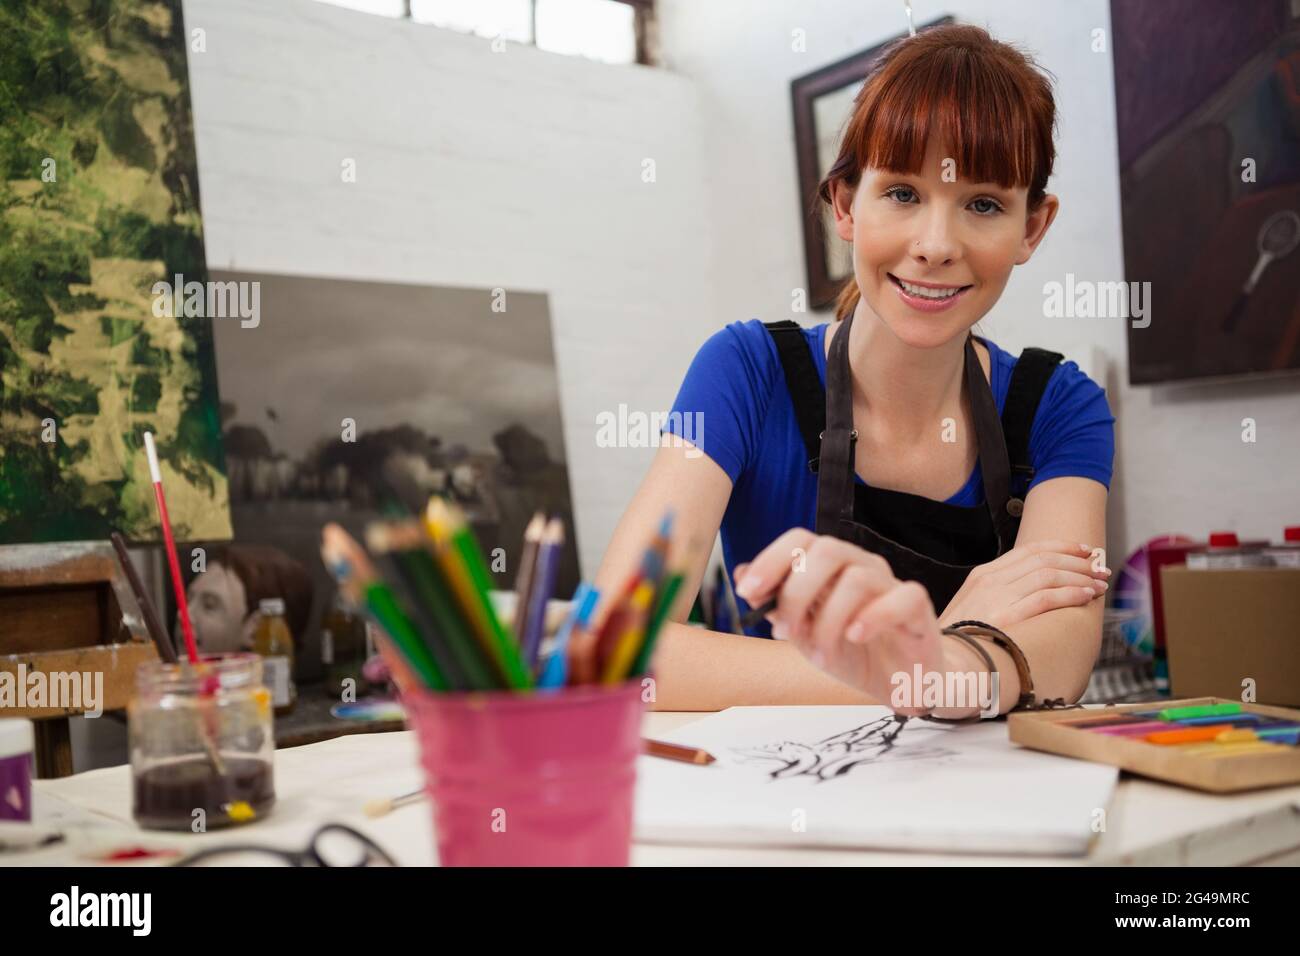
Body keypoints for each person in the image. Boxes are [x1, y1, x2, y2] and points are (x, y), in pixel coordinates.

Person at [593, 24, 1115, 718]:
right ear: (844, 204)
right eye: (902, 193)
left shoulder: (1060, 406)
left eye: (983, 205)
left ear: (1032, 228)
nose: (935, 245)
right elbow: (618, 653)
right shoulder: (746, 373)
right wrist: (938, 659)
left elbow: (1060, 659)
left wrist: (934, 661)